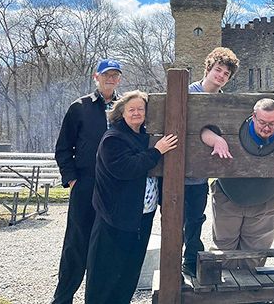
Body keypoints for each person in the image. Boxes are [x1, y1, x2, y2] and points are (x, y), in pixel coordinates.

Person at [85, 90, 178, 304]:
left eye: (141, 109)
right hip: (115, 219)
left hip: (141, 218)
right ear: (122, 113)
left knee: (128, 274)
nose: (136, 113)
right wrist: (157, 151)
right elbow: (126, 168)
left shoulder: (146, 136)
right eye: (131, 109)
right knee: (105, 275)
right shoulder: (113, 139)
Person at [202, 98, 274, 270]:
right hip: (228, 199)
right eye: (262, 122)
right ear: (253, 117)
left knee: (255, 257)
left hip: (265, 203)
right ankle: (226, 295)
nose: (267, 128)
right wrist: (217, 140)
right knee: (224, 253)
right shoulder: (237, 129)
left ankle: (251, 295)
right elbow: (202, 129)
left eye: (273, 123)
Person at [51, 59, 122, 304]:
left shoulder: (125, 108)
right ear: (96, 77)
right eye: (106, 75)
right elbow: (63, 148)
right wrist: (72, 180)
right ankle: (62, 298)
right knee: (76, 243)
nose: (110, 79)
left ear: (119, 79)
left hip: (114, 187)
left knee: (104, 246)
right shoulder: (79, 107)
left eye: (115, 75)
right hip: (86, 183)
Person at [181, 47, 239, 277]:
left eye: (226, 74)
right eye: (218, 70)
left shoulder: (225, 104)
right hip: (178, 170)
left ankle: (190, 262)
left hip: (200, 175)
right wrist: (212, 137)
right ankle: (171, 267)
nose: (221, 75)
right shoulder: (187, 93)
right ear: (208, 69)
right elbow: (192, 127)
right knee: (174, 222)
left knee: (195, 221)